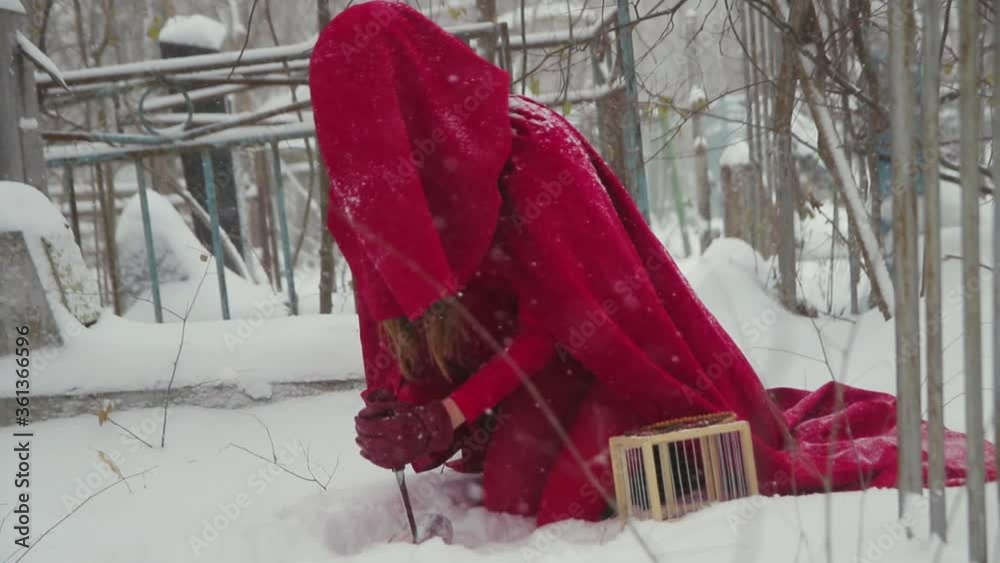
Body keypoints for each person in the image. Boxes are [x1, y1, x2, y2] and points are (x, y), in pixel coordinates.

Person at [309, 1, 994, 526]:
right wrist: (399, 417)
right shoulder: (370, 193)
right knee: (512, 496)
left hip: (607, 366)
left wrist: (452, 411)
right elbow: (401, 351)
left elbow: (568, 328)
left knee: (558, 505)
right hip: (517, 389)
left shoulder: (533, 152)